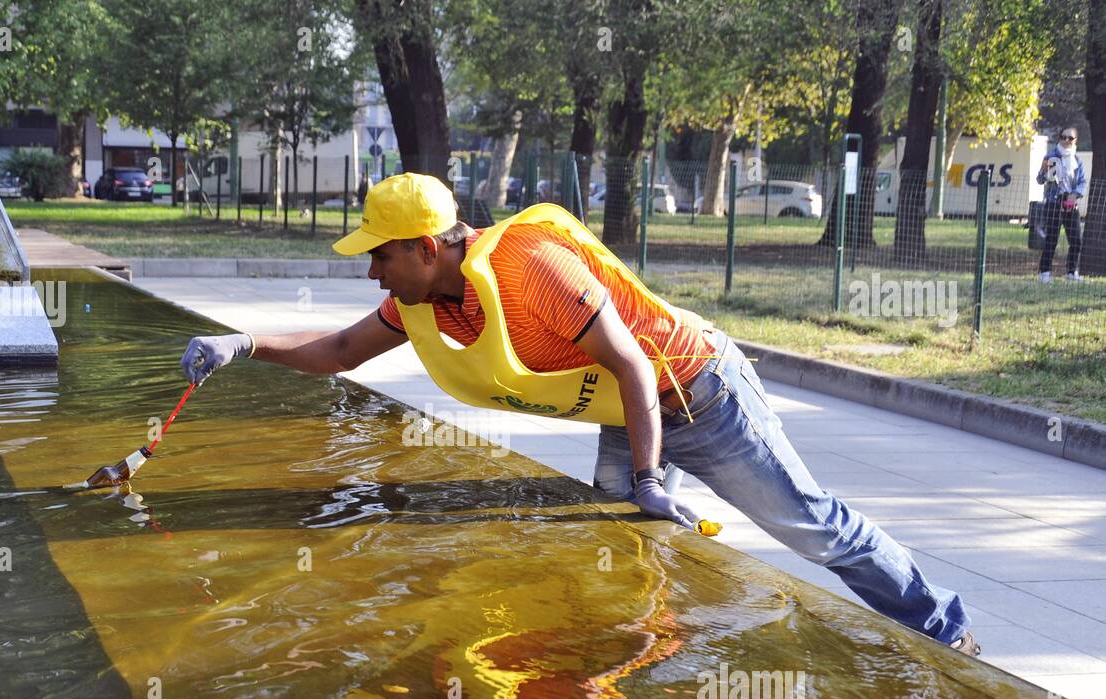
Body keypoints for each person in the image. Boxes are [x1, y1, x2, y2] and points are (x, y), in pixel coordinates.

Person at [179, 173, 980, 656]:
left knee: (811, 527)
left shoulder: (530, 269)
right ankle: (651, 654)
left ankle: (943, 625)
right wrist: (245, 342)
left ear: (425, 246)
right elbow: (341, 352)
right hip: (625, 408)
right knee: (617, 546)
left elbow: (634, 359)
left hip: (698, 391)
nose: (373, 274)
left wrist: (647, 476)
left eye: (380, 256)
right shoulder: (433, 302)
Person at [1036, 127, 1087, 282]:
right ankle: (1044, 273)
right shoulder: (1051, 156)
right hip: (1054, 202)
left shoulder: (1077, 160)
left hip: (1070, 202)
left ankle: (1071, 272)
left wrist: (1075, 194)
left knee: (1076, 239)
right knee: (1052, 238)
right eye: (1063, 137)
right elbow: (1040, 180)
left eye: (1070, 138)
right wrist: (1044, 172)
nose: (1066, 140)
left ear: (1075, 140)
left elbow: (1082, 182)